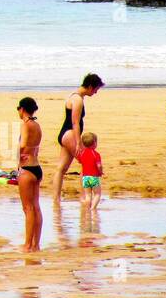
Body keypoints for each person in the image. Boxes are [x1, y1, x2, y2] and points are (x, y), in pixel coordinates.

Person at [54, 73, 104, 201]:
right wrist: (77, 142)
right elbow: (75, 122)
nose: (96, 93)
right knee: (87, 163)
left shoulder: (74, 96)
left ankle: (56, 200)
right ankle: (84, 198)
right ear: (90, 86)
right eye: (96, 89)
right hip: (70, 134)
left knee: (61, 168)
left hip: (65, 134)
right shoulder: (78, 100)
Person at [16, 97, 43, 252]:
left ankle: (27, 245)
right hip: (37, 167)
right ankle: (36, 244)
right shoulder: (37, 125)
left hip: (26, 170)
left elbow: (24, 143)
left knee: (28, 209)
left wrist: (17, 156)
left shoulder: (26, 125)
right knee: (36, 207)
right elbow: (35, 148)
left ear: (22, 109)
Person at [77, 131, 103, 210]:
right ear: (94, 143)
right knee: (97, 194)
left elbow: (80, 161)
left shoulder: (82, 153)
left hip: (85, 178)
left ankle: (86, 205)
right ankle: (93, 209)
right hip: (94, 177)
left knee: (88, 195)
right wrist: (100, 172)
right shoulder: (96, 154)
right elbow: (99, 165)